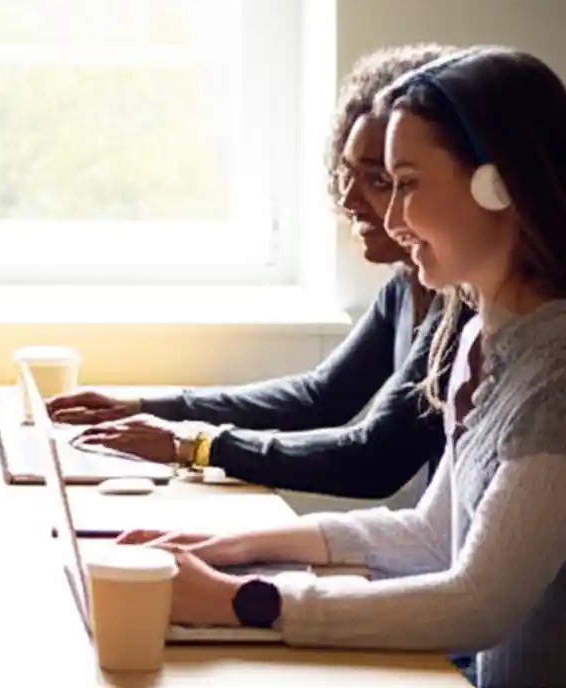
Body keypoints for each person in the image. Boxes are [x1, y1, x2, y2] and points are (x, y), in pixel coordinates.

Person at [121, 47, 566, 688]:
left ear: (498, 183)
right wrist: (238, 552)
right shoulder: (479, 337)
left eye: (407, 184)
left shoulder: (557, 376)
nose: (391, 220)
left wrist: (242, 603)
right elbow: (433, 536)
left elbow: (479, 604)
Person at [46, 44, 469, 499]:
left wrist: (190, 445)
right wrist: (147, 407)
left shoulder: (466, 304)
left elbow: (373, 460)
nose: (348, 201)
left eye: (380, 180)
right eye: (346, 174)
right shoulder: (407, 287)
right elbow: (319, 397)